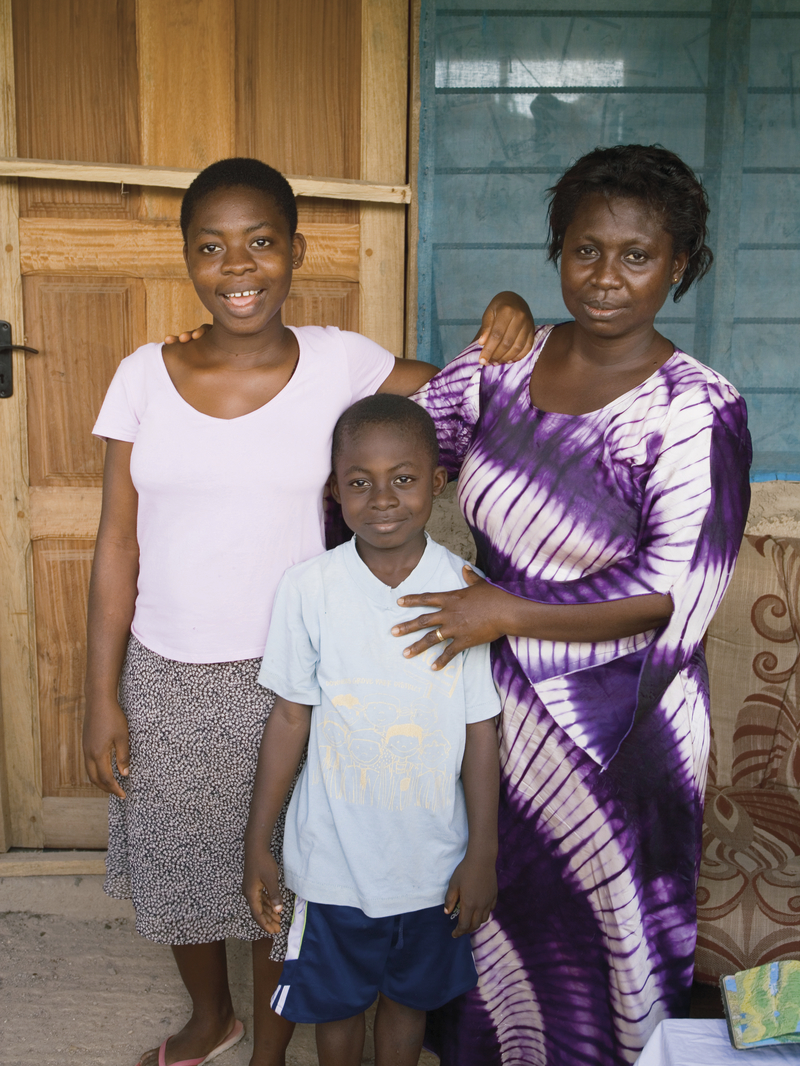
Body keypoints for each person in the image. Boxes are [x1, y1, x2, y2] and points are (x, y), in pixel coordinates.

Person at [82, 156, 534, 1066]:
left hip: (304, 672)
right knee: (182, 858)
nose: (237, 267)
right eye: (211, 247)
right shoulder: (142, 375)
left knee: (289, 868)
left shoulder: (341, 362)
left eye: (259, 243)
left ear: (295, 251)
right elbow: (116, 543)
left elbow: (463, 388)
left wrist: (514, 317)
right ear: (187, 258)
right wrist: (100, 694)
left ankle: (273, 1040)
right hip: (169, 664)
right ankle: (214, 1020)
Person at [390, 145, 753, 1065]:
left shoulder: (696, 410)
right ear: (559, 250)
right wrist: (260, 360)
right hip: (484, 702)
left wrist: (504, 613)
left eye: (638, 256)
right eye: (587, 250)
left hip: (623, 724)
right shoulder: (506, 361)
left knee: (607, 924)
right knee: (496, 907)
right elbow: (398, 445)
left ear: (679, 265)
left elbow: (676, 592)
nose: (607, 278)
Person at [243, 394, 501, 1066]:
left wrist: (482, 853)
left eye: (404, 478)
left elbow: (480, 729)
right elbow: (290, 716)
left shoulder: (467, 594)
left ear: (437, 482)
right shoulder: (310, 589)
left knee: (407, 1008)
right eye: (360, 482)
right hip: (332, 864)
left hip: (431, 864)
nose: (382, 498)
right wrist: (258, 843)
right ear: (336, 490)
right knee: (337, 1010)